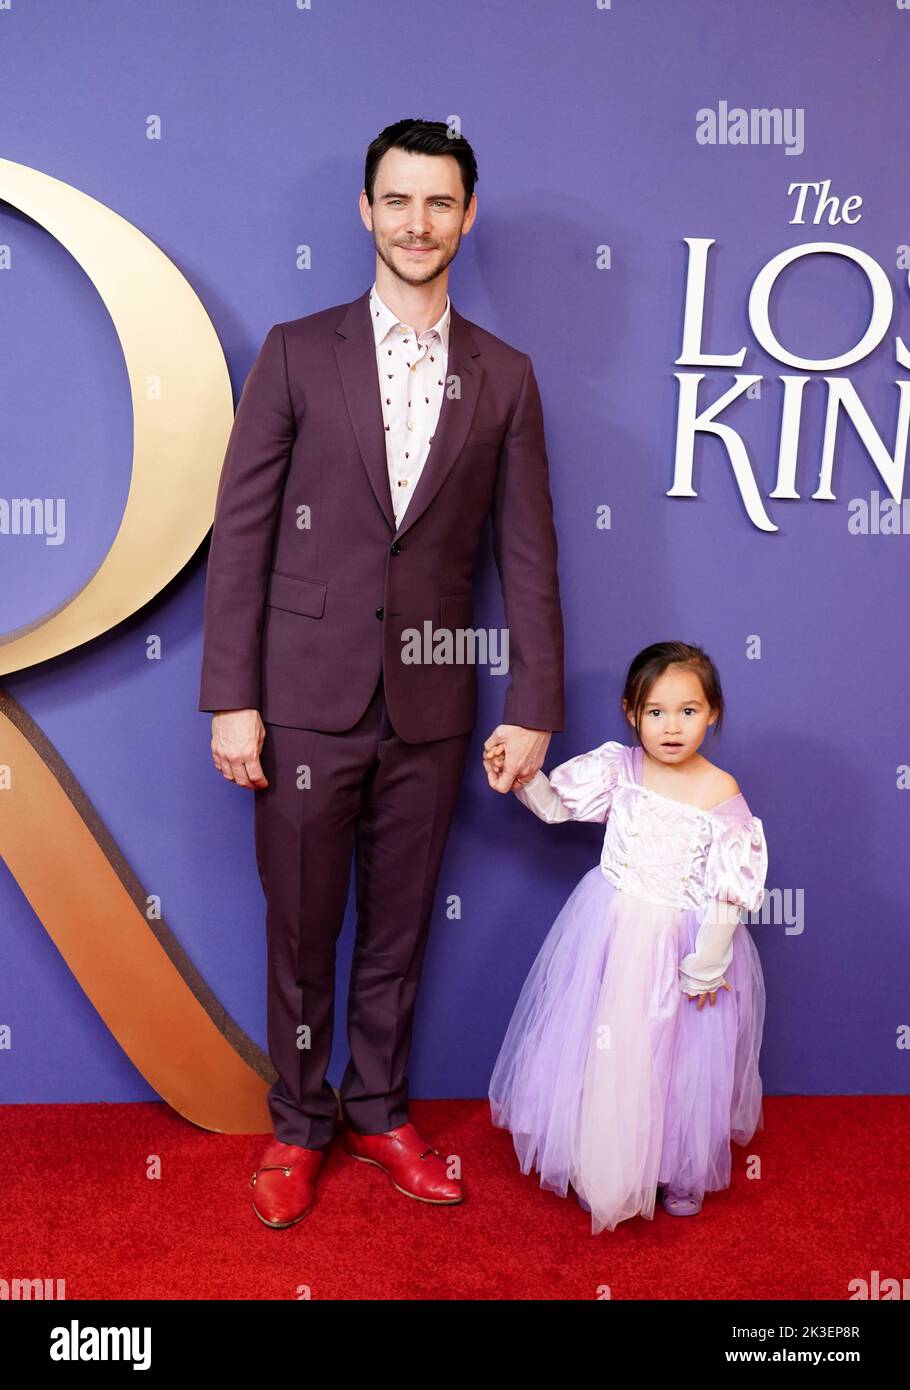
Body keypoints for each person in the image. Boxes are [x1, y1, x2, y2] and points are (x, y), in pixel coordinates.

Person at [198, 118, 565, 1228]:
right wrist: (232, 698)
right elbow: (240, 535)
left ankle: (379, 1112)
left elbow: (530, 556)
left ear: (467, 216)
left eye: (439, 202)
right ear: (366, 211)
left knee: (398, 931)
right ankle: (300, 1124)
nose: (417, 223)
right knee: (302, 928)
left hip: (432, 705)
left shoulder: (507, 376)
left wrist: (534, 704)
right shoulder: (295, 351)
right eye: (397, 201)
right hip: (300, 700)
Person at [484, 642, 768, 1233]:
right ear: (631, 712)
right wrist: (520, 775)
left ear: (713, 712)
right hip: (612, 930)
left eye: (688, 711)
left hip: (683, 945)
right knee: (610, 1046)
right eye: (656, 712)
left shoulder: (721, 791)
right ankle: (605, 1159)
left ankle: (677, 1165)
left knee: (678, 1056)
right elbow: (557, 807)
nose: (672, 726)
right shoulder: (621, 768)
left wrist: (706, 962)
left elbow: (729, 889)